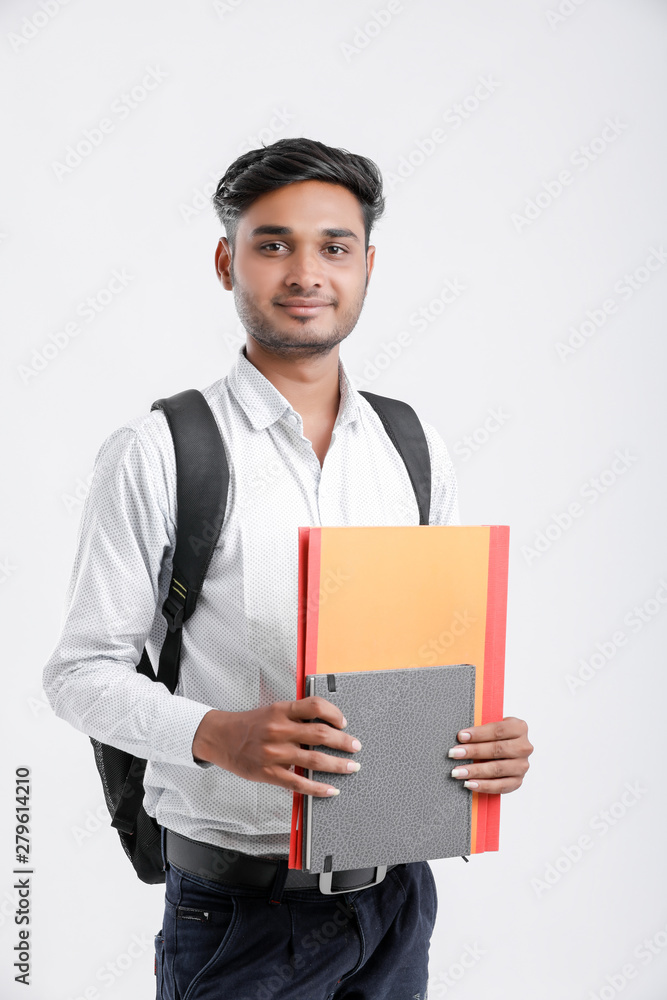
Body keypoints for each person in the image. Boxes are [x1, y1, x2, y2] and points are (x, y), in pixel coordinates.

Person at [43, 137, 533, 999]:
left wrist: (484, 743)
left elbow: (437, 660)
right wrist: (217, 734)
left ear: (368, 266)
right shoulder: (160, 451)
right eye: (274, 244)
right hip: (237, 918)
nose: (306, 271)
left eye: (334, 247)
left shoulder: (412, 448)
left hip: (397, 901)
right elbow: (78, 675)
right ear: (228, 260)